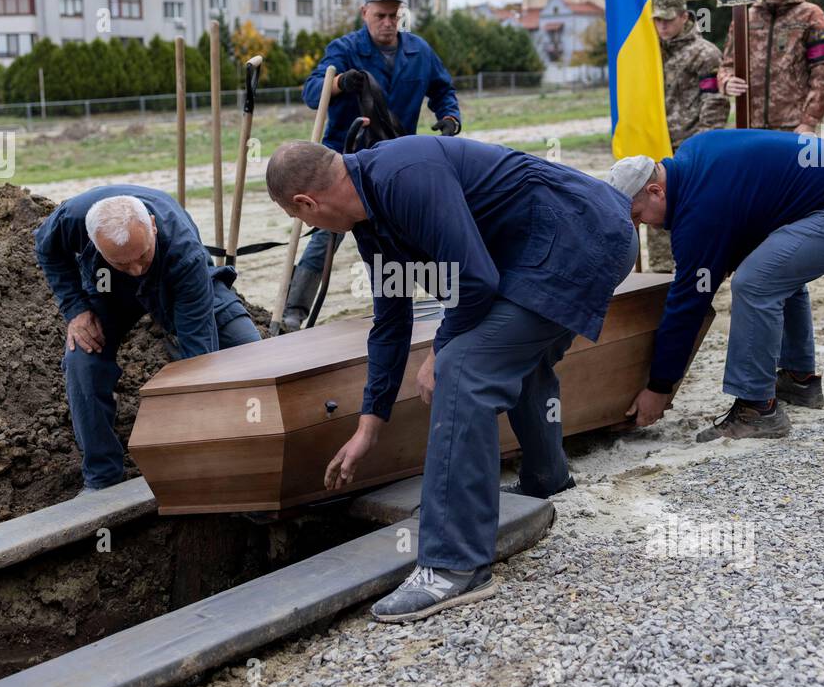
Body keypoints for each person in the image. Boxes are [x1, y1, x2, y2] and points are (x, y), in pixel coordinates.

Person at [265, 136, 635, 622]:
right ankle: (547, 478)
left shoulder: (405, 176)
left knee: (465, 367)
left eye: (301, 220)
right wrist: (370, 423)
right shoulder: (371, 218)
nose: (308, 226)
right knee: (511, 352)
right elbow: (391, 321)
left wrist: (440, 352)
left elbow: (474, 280)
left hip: (581, 237)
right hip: (545, 246)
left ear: (306, 203)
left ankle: (452, 566)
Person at [613, 130, 824, 442]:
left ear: (656, 191)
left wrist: (659, 386)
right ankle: (798, 380)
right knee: (773, 270)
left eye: (638, 216)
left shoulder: (700, 213)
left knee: (756, 283)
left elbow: (687, 306)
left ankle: (758, 409)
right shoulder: (693, 151)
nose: (640, 226)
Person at [35, 185, 260, 491]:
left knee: (248, 346)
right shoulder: (72, 219)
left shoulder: (185, 252)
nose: (136, 269)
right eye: (123, 262)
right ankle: (102, 476)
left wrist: (199, 435)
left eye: (141, 256)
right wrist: (76, 309)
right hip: (107, 290)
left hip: (174, 282)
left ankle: (248, 447)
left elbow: (198, 351)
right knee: (82, 362)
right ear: (94, 243)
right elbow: (46, 249)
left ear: (152, 226)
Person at [282, 0, 462, 330]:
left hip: (395, 164)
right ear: (365, 13)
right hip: (343, 163)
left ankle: (448, 304)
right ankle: (293, 312)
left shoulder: (420, 52)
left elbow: (443, 88)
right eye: (380, 15)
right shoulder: (345, 49)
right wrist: (339, 84)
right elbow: (311, 92)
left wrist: (450, 116)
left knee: (408, 232)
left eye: (394, 16)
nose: (388, 22)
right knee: (325, 237)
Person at [649, 0, 730, 272]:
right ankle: (660, 271)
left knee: (692, 210)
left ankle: (697, 268)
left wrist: (704, 142)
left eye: (668, 20)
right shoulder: (649, 53)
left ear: (685, 17)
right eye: (657, 20)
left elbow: (715, 100)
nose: (662, 26)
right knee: (654, 204)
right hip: (656, 141)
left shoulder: (704, 53)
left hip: (690, 144)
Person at [718, 0, 824, 134]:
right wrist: (726, 81)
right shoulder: (745, 17)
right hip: (750, 124)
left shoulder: (811, 15)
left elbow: (822, 73)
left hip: (794, 125)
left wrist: (809, 122)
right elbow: (727, 65)